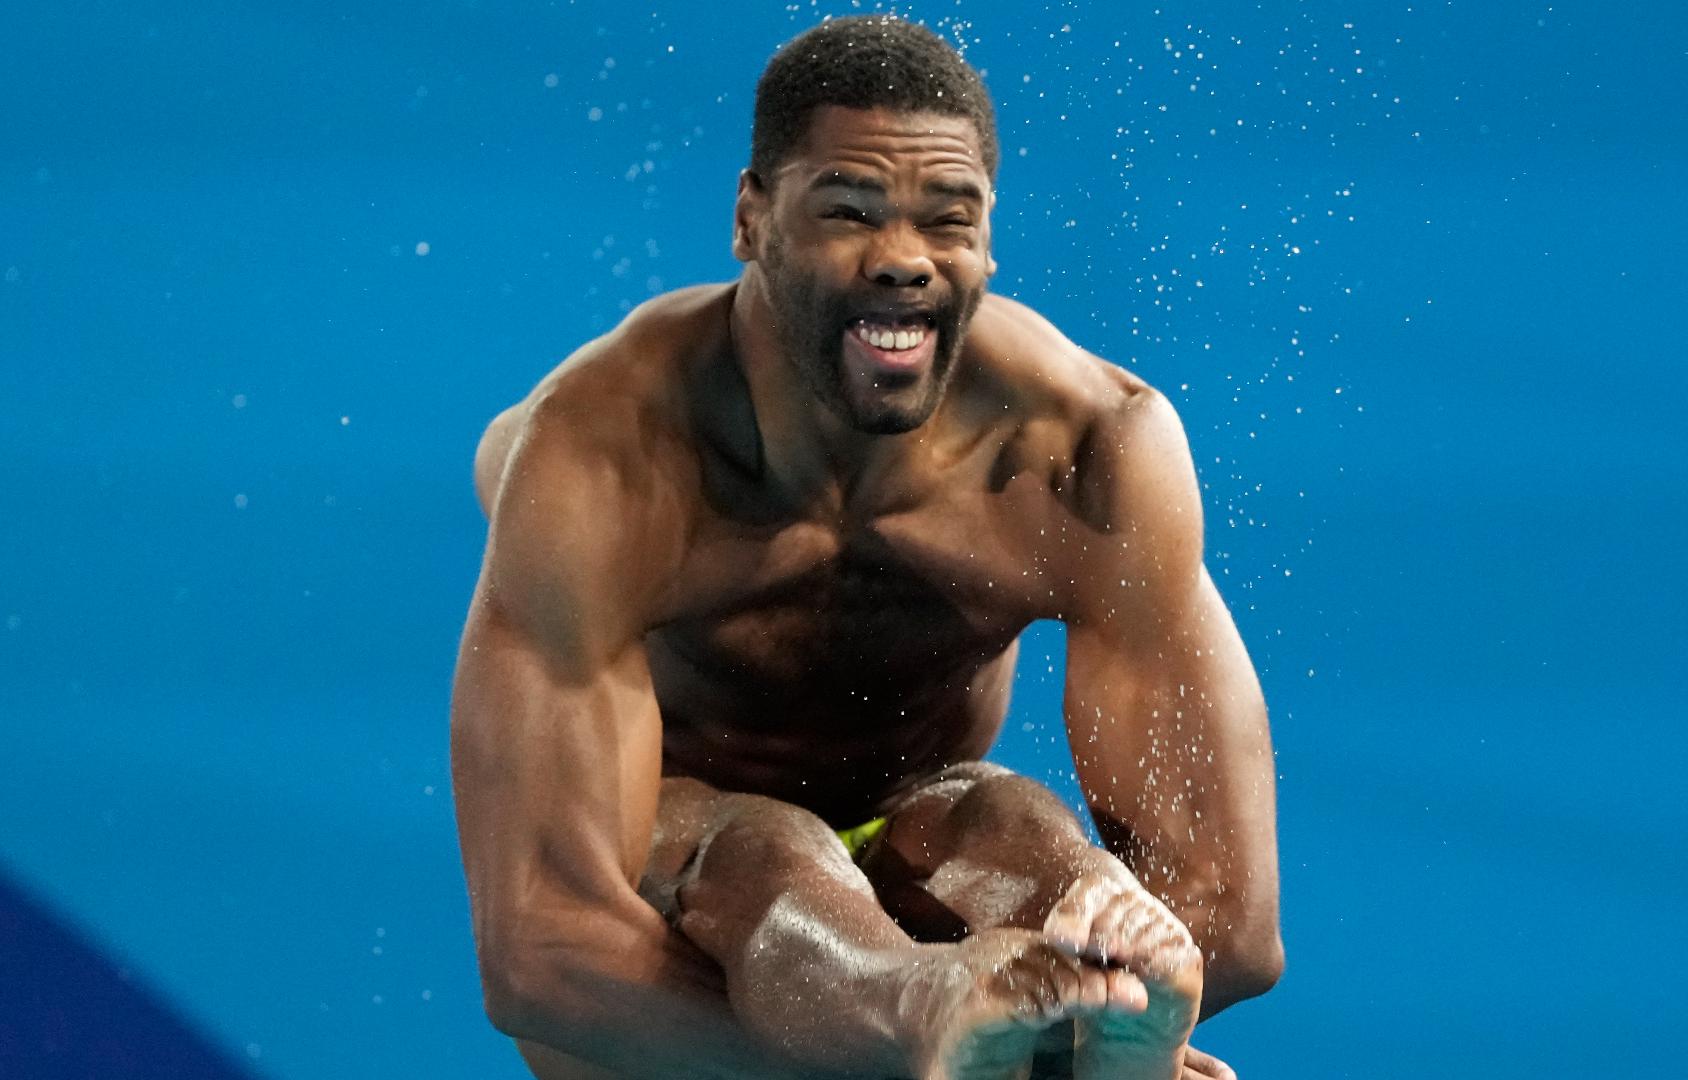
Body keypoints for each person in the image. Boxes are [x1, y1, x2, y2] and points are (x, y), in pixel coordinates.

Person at [451, 15, 1282, 1080]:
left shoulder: (1089, 446)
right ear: (750, 219)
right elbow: (543, 953)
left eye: (948, 218)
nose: (902, 261)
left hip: (933, 880)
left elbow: (1232, 922)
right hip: (669, 930)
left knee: (1006, 827)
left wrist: (1080, 1021)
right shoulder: (604, 457)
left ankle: (1027, 997)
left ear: (989, 238)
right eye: (848, 212)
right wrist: (909, 1052)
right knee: (766, 854)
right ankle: (939, 1010)